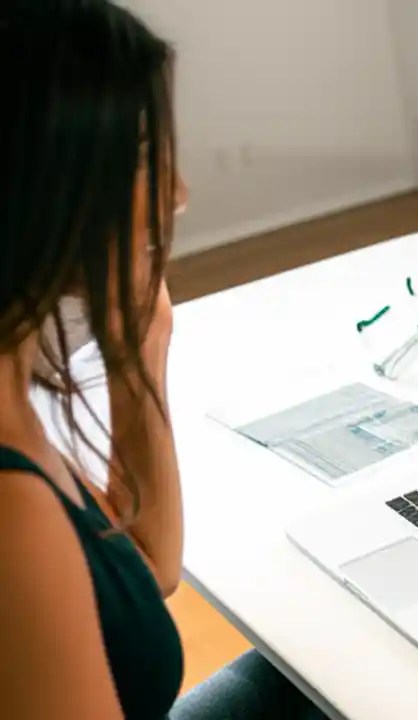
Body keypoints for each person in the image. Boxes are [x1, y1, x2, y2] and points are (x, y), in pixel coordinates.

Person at [1, 1, 323, 717]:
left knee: (330, 679)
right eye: (145, 155)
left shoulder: (14, 384)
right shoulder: (10, 514)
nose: (177, 195)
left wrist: (140, 345)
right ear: (45, 174)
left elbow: (149, 569)